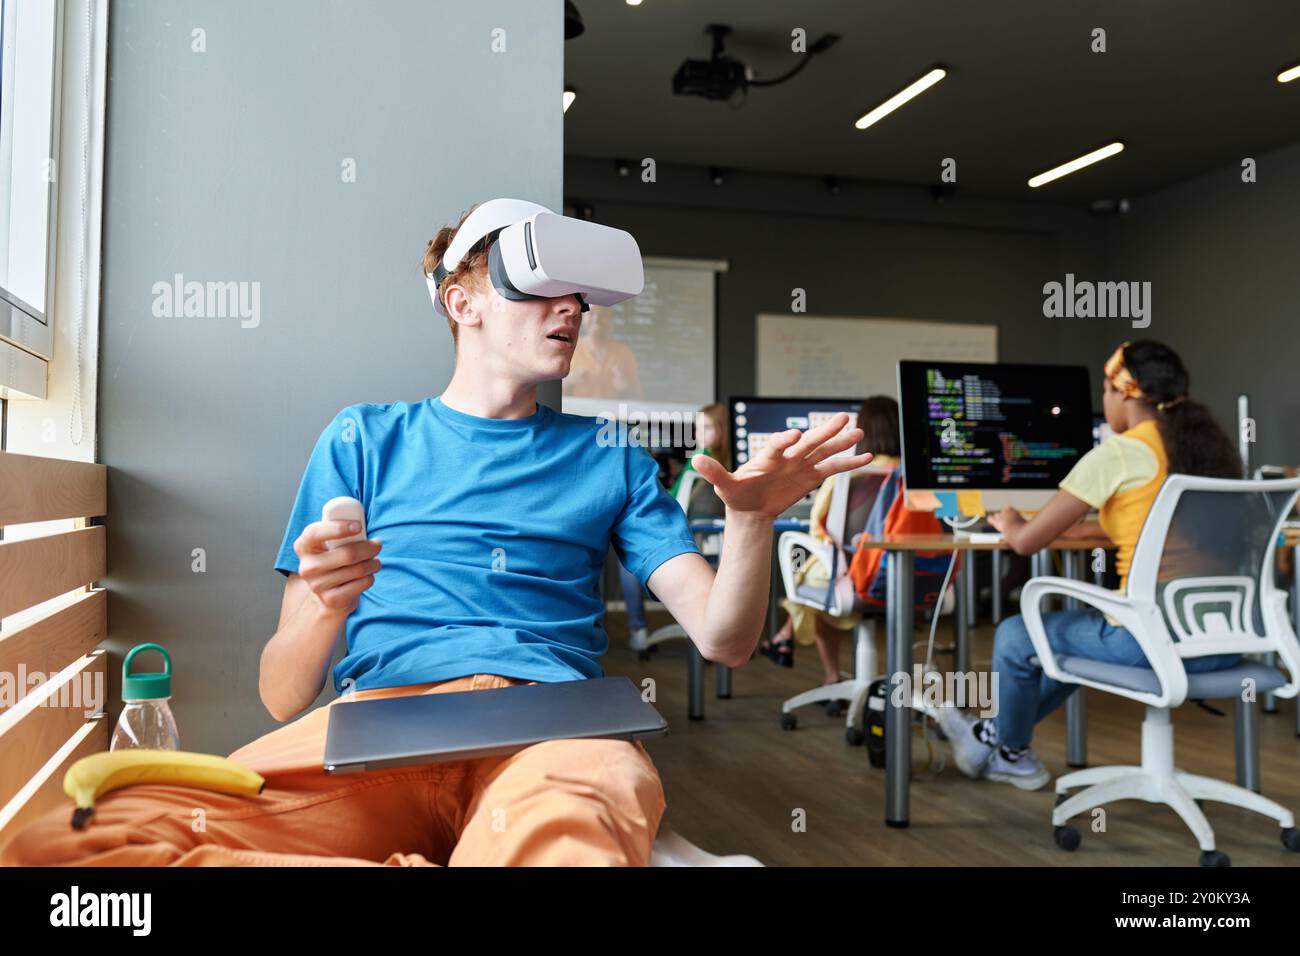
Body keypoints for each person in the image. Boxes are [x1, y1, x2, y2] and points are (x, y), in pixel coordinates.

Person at [2, 199, 871, 867]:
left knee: (564, 849)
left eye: (579, 297)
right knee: (72, 848)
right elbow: (279, 691)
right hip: (379, 726)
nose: (570, 309)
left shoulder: (608, 456)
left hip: (552, 731)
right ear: (463, 302)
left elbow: (722, 640)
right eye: (539, 289)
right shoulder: (364, 439)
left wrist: (752, 519)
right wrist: (321, 610)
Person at [938, 340, 1244, 790]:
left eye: (1106, 389)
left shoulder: (1119, 453)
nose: (1104, 400)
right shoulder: (1206, 450)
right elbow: (1153, 528)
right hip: (1224, 642)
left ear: (1128, 392)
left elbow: (1023, 544)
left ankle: (1008, 749)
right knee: (1061, 648)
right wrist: (1074, 531)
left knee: (1014, 636)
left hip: (1150, 643)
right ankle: (995, 740)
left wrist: (1007, 520)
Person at [760, 398, 899, 697]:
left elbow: (819, 528)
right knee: (823, 577)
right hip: (905, 575)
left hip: (850, 578)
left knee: (819, 577)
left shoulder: (847, 473)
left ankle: (831, 675)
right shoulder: (914, 477)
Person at [625, 404, 729, 652]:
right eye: (696, 428)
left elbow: (668, 502)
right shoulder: (742, 461)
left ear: (722, 430)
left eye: (705, 428)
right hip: (722, 547)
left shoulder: (700, 461)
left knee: (627, 565)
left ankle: (638, 630)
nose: (698, 435)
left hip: (688, 544)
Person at [565, 303, 643, 400]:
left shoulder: (623, 352)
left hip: (610, 413)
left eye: (602, 314)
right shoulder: (568, 348)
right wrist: (567, 381)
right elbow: (552, 398)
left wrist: (625, 387)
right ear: (583, 319)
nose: (596, 319)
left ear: (610, 320)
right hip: (577, 413)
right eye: (591, 313)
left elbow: (638, 397)